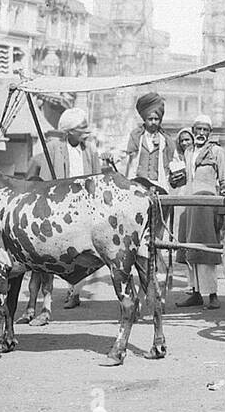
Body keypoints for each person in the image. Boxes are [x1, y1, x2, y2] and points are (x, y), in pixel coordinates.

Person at [19, 106, 104, 324]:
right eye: (80, 129)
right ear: (69, 131)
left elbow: (97, 179)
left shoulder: (90, 151)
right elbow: (40, 175)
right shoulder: (54, 149)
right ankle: (36, 307)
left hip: (82, 208)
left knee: (78, 255)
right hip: (58, 208)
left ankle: (68, 296)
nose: (84, 132)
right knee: (43, 257)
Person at [177, 115, 225, 310]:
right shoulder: (188, 151)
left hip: (206, 206)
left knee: (206, 249)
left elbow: (224, 181)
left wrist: (221, 211)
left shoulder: (217, 152)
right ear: (193, 130)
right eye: (198, 129)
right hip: (189, 205)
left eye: (206, 130)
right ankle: (195, 292)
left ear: (210, 133)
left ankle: (213, 294)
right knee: (189, 248)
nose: (202, 133)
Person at [124, 92, 172, 192]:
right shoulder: (136, 136)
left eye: (156, 119)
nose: (153, 122)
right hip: (137, 185)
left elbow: (174, 161)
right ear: (144, 119)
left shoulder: (166, 139)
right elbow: (122, 153)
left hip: (159, 186)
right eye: (150, 119)